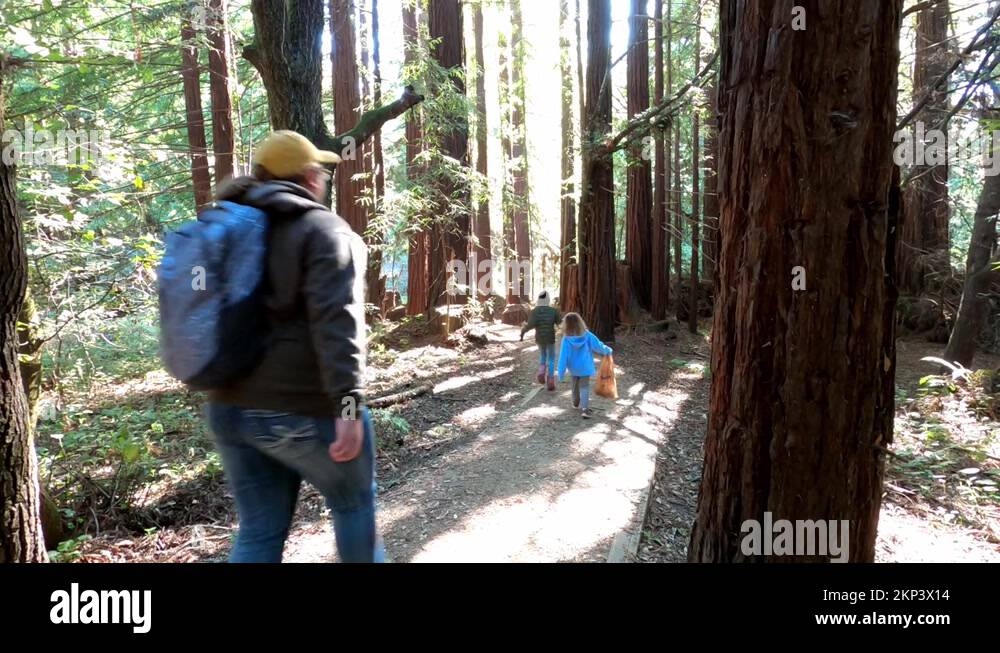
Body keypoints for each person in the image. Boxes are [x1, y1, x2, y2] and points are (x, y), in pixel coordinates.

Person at [204, 130, 383, 562]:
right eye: (319, 170)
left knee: (259, 530)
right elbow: (338, 324)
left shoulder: (222, 229)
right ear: (308, 178)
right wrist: (348, 408)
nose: (323, 177)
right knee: (354, 503)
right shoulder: (322, 229)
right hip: (303, 407)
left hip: (227, 408)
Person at [557, 312, 613, 419]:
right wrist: (607, 350)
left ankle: (575, 402)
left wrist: (561, 371)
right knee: (584, 387)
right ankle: (585, 409)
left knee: (574, 385)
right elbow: (598, 345)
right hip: (585, 367)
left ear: (566, 325)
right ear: (580, 322)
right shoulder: (587, 335)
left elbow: (563, 356)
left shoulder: (566, 339)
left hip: (573, 367)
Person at [520, 290, 560, 391]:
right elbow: (561, 324)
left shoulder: (534, 311)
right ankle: (550, 380)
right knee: (551, 358)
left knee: (543, 355)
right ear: (548, 299)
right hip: (550, 337)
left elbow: (529, 325)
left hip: (540, 338)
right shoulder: (553, 311)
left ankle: (541, 371)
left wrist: (522, 334)